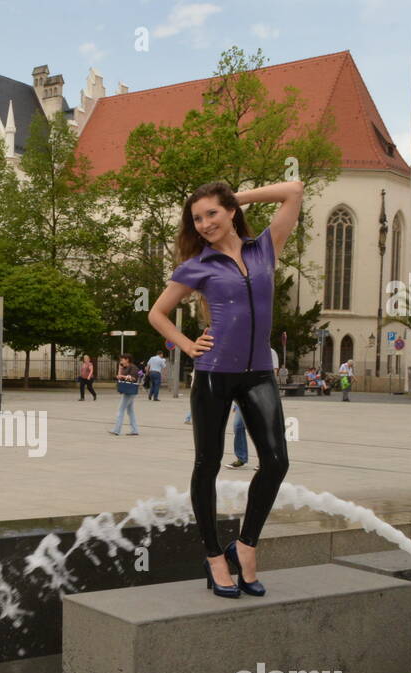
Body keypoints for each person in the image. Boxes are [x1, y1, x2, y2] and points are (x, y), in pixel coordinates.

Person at [148, 177, 303, 598]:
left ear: (231, 211)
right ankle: (215, 556)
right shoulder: (197, 265)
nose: (203, 223)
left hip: (258, 373)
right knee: (207, 464)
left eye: (212, 213)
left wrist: (240, 195)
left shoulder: (265, 248)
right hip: (215, 373)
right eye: (196, 218)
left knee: (275, 460)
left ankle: (246, 545)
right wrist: (188, 346)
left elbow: (295, 190)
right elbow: (158, 313)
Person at [110, 354, 141, 435]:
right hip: (127, 390)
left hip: (130, 391)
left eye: (122, 359)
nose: (121, 361)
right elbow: (119, 377)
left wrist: (123, 376)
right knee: (130, 411)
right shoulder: (125, 367)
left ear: (127, 359)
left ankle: (117, 430)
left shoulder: (133, 367)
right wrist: (120, 369)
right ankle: (135, 430)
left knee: (120, 410)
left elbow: (134, 378)